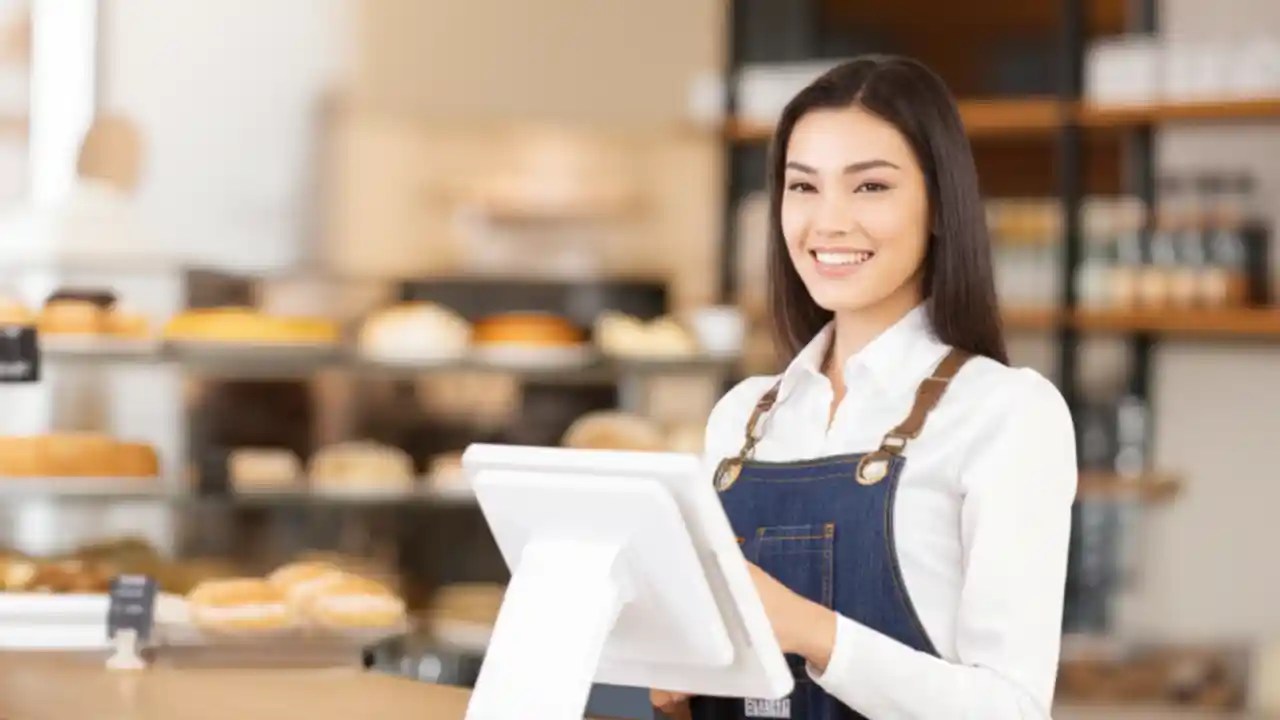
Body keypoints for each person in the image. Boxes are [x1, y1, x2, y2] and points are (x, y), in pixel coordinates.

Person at [652, 55, 1077, 719]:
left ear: (939, 205)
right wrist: (675, 684)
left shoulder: (1006, 413)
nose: (828, 222)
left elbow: (1010, 708)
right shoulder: (740, 419)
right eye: (803, 187)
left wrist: (807, 628)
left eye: (870, 187)